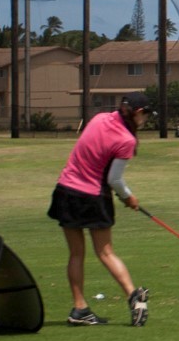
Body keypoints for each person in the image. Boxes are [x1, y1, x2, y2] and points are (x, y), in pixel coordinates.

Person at [47, 91, 152, 327]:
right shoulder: (126, 140)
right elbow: (114, 179)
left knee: (76, 254)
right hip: (92, 197)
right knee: (105, 252)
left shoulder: (99, 118)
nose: (145, 120)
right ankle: (133, 296)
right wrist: (129, 198)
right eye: (145, 114)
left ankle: (80, 309)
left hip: (66, 191)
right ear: (137, 112)